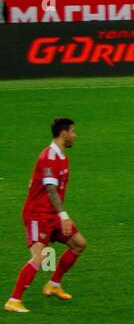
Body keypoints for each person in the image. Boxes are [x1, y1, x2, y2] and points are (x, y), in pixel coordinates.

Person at [6, 119, 87, 314]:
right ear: (63, 133)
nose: (75, 135)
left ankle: (53, 284)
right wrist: (64, 215)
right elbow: (51, 189)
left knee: (79, 244)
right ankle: (14, 300)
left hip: (52, 213)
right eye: (72, 131)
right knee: (39, 256)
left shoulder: (62, 157)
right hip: (37, 214)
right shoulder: (49, 156)